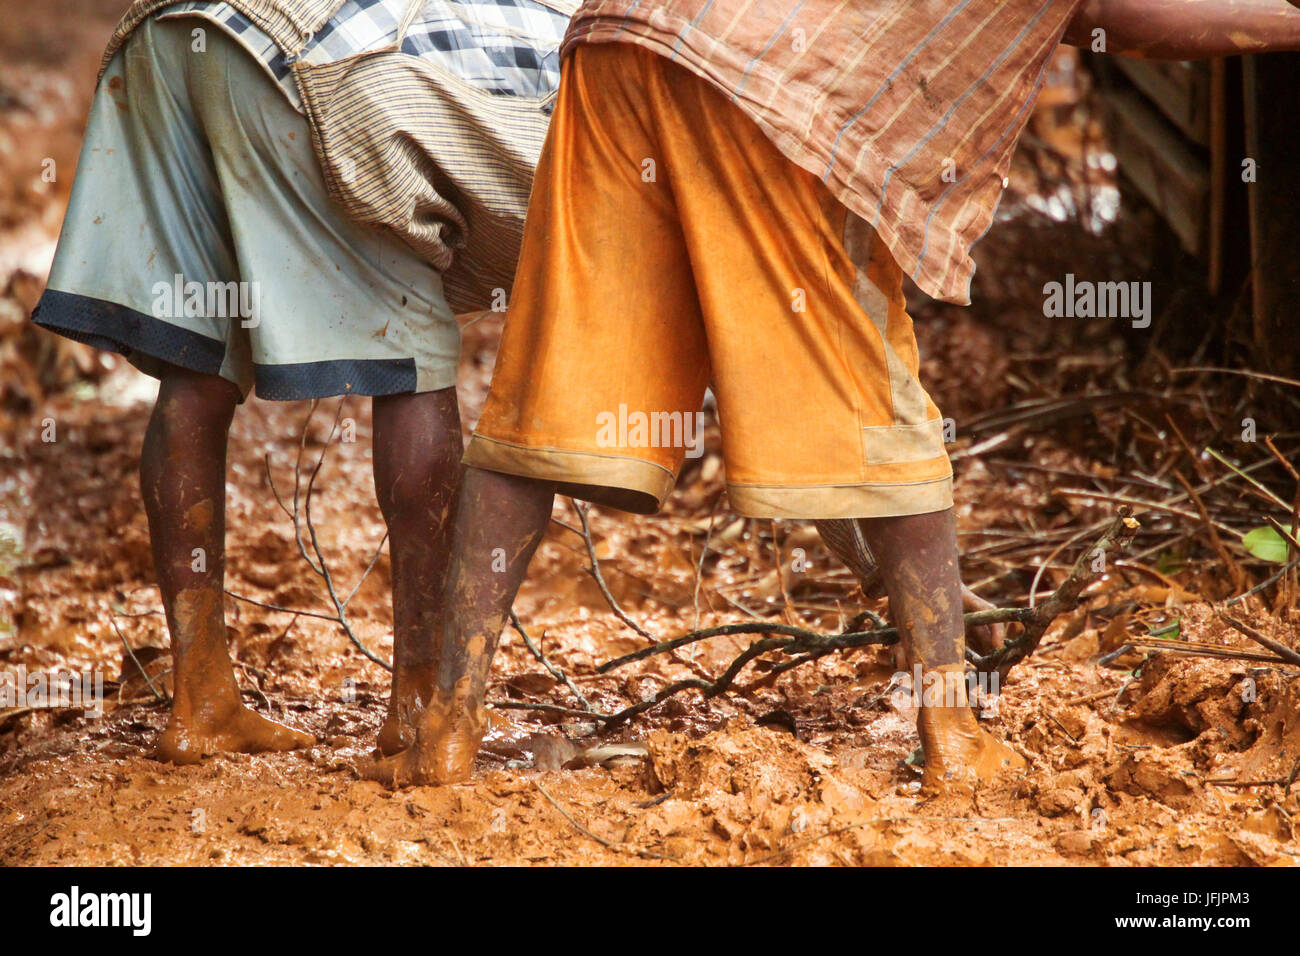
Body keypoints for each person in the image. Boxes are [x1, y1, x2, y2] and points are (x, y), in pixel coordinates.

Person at [366, 0, 1300, 792]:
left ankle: (447, 726)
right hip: (774, 79)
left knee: (550, 391)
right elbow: (1113, 13)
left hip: (622, 39)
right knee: (871, 406)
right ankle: (952, 733)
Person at [31, 0, 575, 763]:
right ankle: (420, 702)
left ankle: (200, 700)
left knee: (197, 366)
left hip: (171, 34)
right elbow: (558, 208)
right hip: (313, 69)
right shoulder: (585, 52)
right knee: (412, 361)